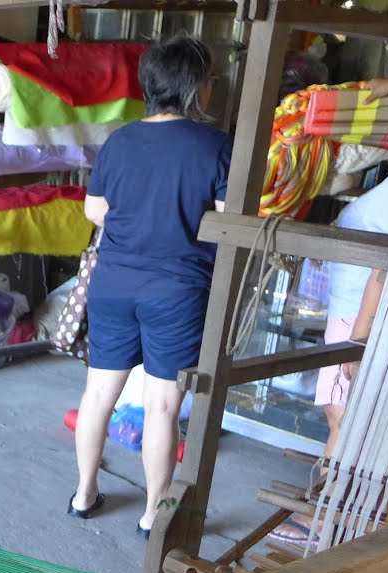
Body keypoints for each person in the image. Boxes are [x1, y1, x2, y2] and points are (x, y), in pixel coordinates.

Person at [271, 77, 388, 544]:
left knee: (344, 417)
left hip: (360, 315)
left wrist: (360, 340)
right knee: (348, 415)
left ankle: (328, 521)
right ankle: (341, 516)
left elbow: (385, 270)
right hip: (358, 310)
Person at [68, 34, 230, 537]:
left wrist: (137, 217)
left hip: (113, 283)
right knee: (162, 406)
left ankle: (84, 493)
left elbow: (94, 210)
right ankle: (152, 513)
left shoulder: (119, 141)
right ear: (196, 87)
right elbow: (227, 221)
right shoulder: (216, 146)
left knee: (98, 394)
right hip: (177, 291)